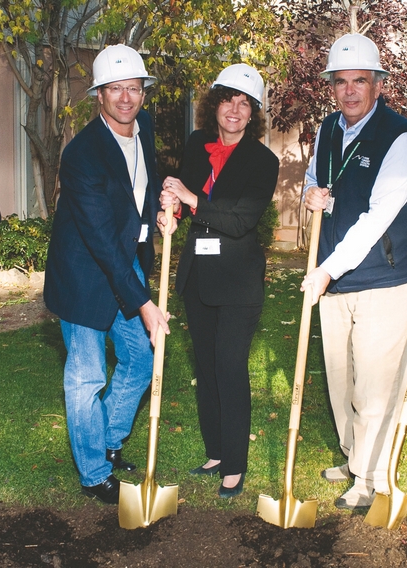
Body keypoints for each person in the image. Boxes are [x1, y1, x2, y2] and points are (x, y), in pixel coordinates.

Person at [299, 33, 407, 510]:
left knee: (374, 385)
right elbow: (317, 178)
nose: (349, 91)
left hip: (388, 277)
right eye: (341, 82)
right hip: (336, 275)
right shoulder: (328, 130)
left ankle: (369, 479)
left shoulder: (403, 139)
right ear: (331, 86)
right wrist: (311, 193)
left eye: (360, 81)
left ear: (378, 84)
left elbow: (377, 219)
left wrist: (326, 270)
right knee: (341, 378)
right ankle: (354, 454)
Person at [43, 44, 169, 505]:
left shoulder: (145, 128)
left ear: (143, 93)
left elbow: (140, 185)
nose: (125, 98)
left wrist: (160, 206)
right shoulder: (82, 154)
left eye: (133, 88)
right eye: (115, 89)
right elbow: (97, 236)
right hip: (84, 272)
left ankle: (109, 441)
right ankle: (94, 472)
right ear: (99, 95)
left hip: (124, 258)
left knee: (141, 358)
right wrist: (145, 303)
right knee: (87, 374)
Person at [158, 64, 279, 499]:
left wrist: (193, 199)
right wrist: (170, 206)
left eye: (244, 103)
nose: (234, 109)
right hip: (198, 275)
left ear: (253, 115)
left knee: (229, 367)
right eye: (228, 99)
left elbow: (241, 220)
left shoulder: (263, 162)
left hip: (237, 282)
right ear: (215, 105)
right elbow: (182, 197)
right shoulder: (196, 144)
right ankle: (215, 452)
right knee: (206, 369)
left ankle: (236, 463)